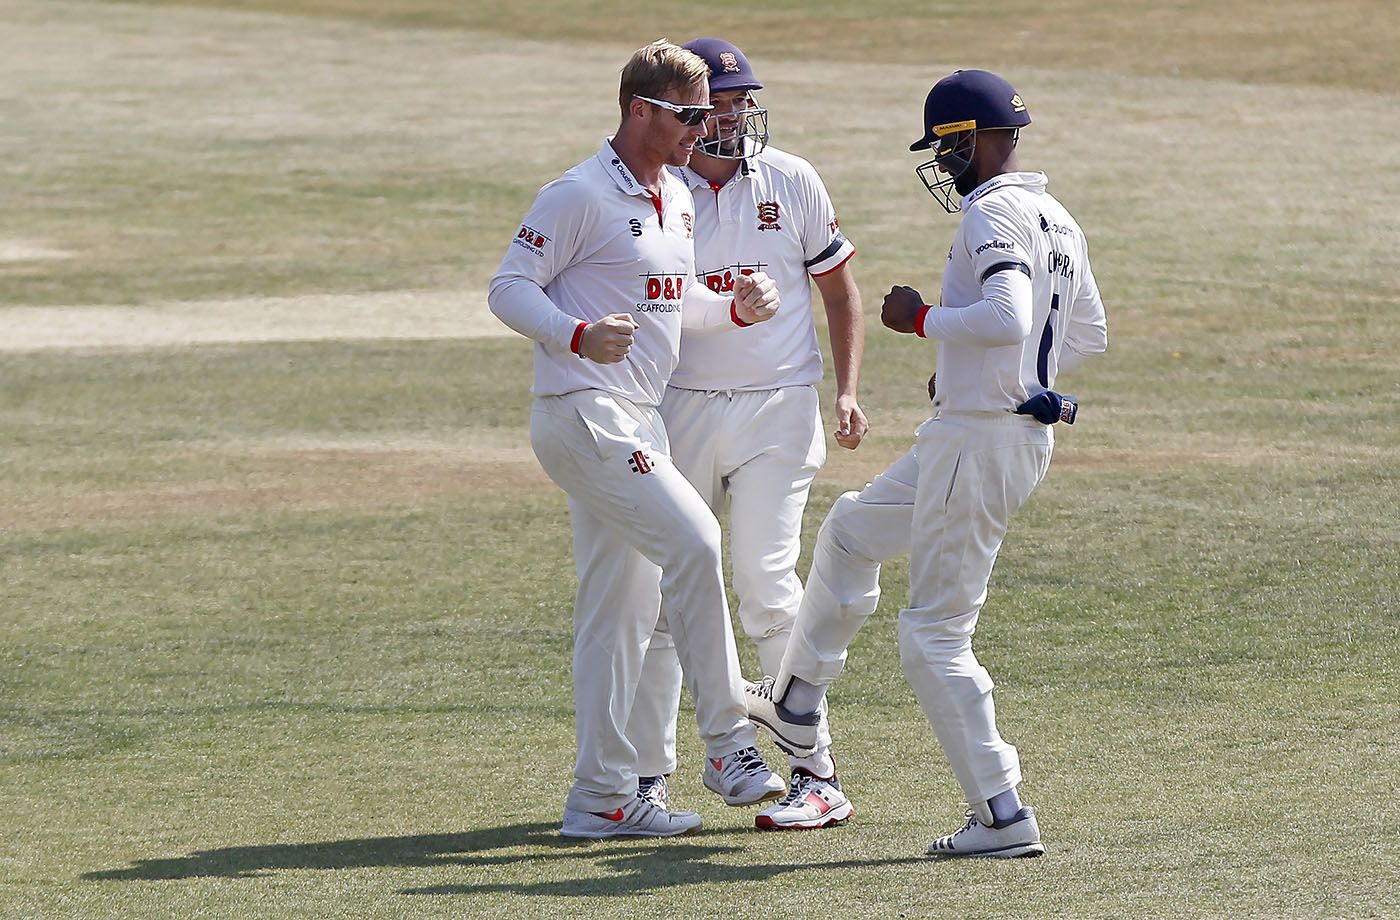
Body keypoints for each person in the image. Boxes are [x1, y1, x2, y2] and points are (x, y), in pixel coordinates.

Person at [744, 69, 1108, 856]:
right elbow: (1086, 335)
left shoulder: (992, 215)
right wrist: (1017, 382)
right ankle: (797, 699)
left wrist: (923, 323)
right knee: (849, 532)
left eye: (947, 149)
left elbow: (1009, 315)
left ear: (975, 141)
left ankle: (1002, 817)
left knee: (936, 636)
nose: (943, 166)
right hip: (987, 435)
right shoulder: (1058, 216)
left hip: (977, 443)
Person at [488, 39, 786, 840]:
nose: (705, 126)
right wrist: (577, 334)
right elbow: (508, 289)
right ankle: (727, 743)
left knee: (619, 611)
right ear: (640, 111)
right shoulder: (577, 193)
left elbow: (667, 297)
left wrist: (734, 310)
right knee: (694, 539)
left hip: (636, 412)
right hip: (583, 410)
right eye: (690, 114)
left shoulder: (678, 197)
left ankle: (602, 798)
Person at [622, 38, 868, 831]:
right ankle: (648, 778)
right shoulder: (657, 189)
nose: (729, 117)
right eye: (713, 106)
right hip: (682, 404)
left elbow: (840, 292)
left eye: (739, 102)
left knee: (767, 586)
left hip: (779, 408)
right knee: (665, 596)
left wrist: (848, 391)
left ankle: (816, 771)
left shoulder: (791, 179)